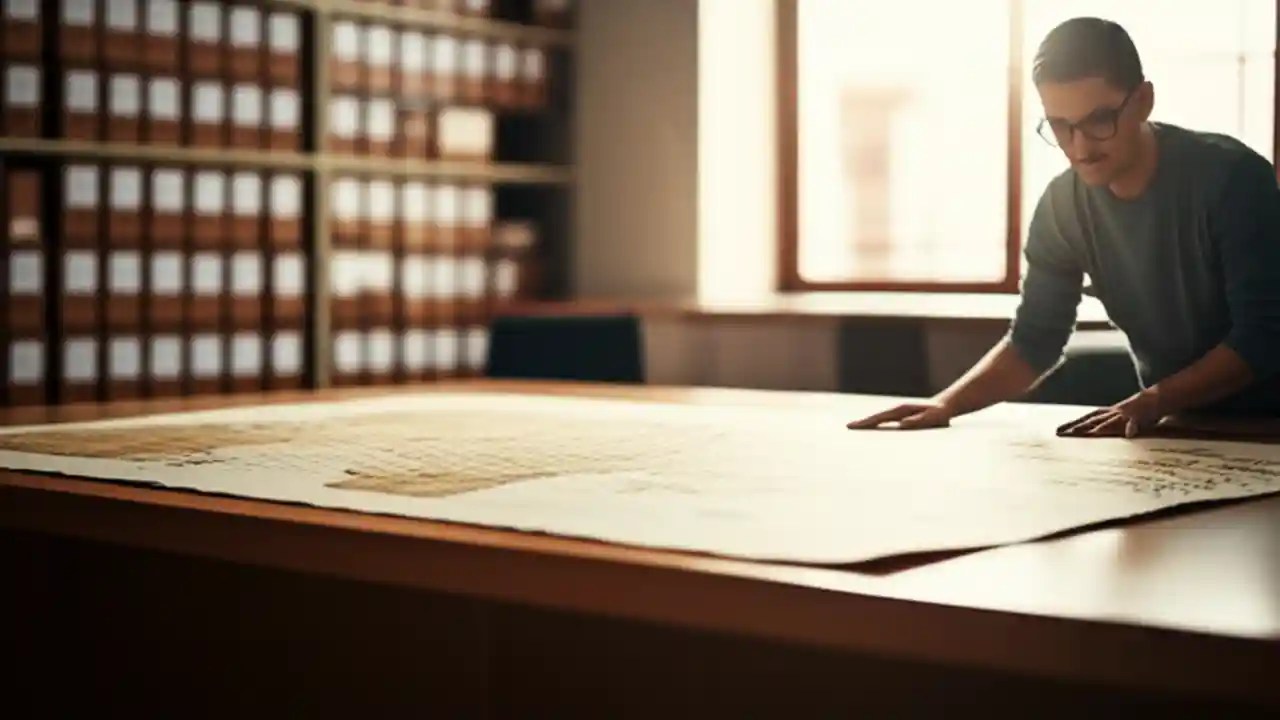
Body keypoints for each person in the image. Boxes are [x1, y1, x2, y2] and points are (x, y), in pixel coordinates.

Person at [848, 16, 1280, 438]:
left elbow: (1263, 334)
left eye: (1099, 120)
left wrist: (1149, 403)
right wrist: (947, 403)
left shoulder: (1233, 180)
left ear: (1144, 101)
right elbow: (1034, 341)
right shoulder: (1062, 206)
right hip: (1177, 427)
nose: (1080, 147)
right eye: (1060, 126)